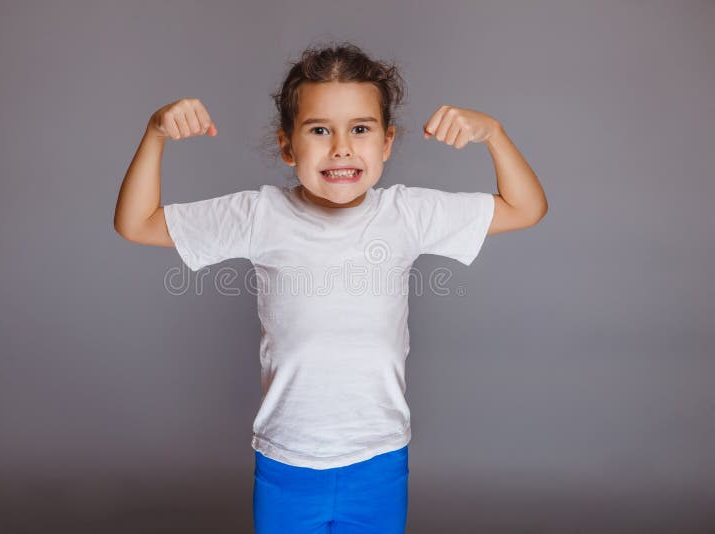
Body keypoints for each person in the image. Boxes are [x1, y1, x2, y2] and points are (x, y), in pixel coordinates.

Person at [113, 41, 547, 534]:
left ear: (385, 142)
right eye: (319, 130)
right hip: (286, 463)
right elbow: (137, 222)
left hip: (379, 459)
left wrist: (494, 133)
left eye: (360, 129)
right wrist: (155, 134)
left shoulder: (406, 213)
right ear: (286, 145)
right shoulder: (260, 215)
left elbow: (526, 207)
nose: (341, 147)